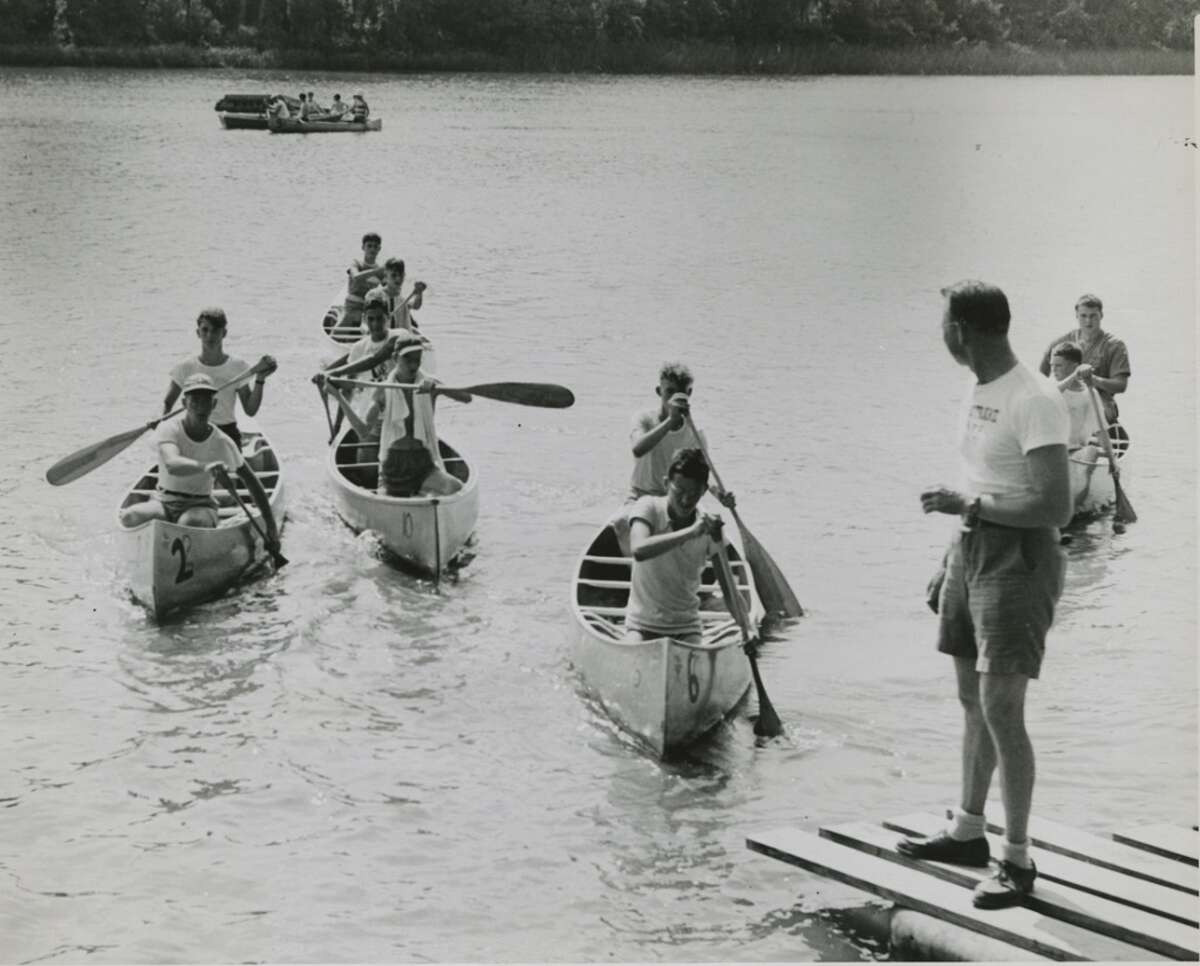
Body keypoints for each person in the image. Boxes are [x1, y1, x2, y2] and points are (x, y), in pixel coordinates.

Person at [898, 280, 1071, 910]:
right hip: (971, 551)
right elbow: (983, 480)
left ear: (963, 330)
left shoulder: (1035, 398)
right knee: (971, 699)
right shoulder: (977, 390)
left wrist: (969, 507)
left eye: (945, 323)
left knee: (1002, 707)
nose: (941, 334)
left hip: (1020, 560)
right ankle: (969, 832)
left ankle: (1017, 859)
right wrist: (951, 560)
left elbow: (1057, 504)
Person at [120, 374, 282, 559]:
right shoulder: (169, 429)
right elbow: (173, 464)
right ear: (184, 403)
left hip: (200, 505)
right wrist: (206, 467)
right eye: (195, 400)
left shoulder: (221, 441)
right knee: (129, 517)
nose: (200, 406)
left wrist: (271, 526)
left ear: (213, 405)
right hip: (163, 502)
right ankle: (147, 562)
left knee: (188, 522)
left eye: (206, 401)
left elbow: (251, 481)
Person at [323, 334, 471, 497]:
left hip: (424, 463)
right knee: (386, 501)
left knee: (456, 488)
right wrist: (338, 396)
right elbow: (363, 431)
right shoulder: (384, 390)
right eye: (408, 359)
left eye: (417, 359)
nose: (413, 365)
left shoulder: (429, 383)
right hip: (394, 466)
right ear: (395, 358)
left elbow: (467, 398)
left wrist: (438, 388)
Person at [608, 363, 733, 553]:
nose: (674, 398)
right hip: (641, 494)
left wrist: (720, 496)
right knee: (620, 522)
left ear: (689, 393)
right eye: (669, 392)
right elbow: (637, 449)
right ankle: (637, 571)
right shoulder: (644, 419)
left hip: (679, 498)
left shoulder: (695, 431)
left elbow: (703, 474)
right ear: (659, 391)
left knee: (716, 532)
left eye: (681, 393)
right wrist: (669, 422)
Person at [624, 447, 728, 645]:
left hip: (686, 627)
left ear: (704, 491)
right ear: (666, 484)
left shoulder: (710, 527)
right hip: (641, 624)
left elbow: (729, 591)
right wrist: (691, 532)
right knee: (633, 651)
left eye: (694, 493)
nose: (686, 500)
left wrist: (746, 627)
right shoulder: (648, 507)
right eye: (679, 491)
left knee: (695, 653)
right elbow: (638, 550)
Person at [163, 307, 277, 452]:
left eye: (215, 330)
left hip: (227, 432)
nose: (210, 335)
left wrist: (260, 379)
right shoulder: (185, 366)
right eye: (205, 330)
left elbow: (250, 410)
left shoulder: (237, 366)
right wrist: (162, 422)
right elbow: (167, 403)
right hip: (193, 433)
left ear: (224, 333)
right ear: (198, 333)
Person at [1037, 294, 1130, 427]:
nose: (1088, 321)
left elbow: (1121, 385)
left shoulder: (1114, 345)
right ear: (1076, 315)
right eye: (1083, 316)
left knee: (1115, 436)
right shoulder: (1061, 342)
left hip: (1099, 403)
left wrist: (1093, 380)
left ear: (1101, 315)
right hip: (1066, 401)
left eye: (1093, 316)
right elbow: (1040, 377)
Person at [340, 232, 386, 333]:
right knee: (341, 331)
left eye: (375, 246)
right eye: (369, 246)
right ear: (363, 247)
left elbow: (389, 289)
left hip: (368, 309)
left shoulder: (380, 270)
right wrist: (375, 272)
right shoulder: (356, 263)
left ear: (379, 249)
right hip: (352, 306)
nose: (372, 249)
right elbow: (356, 277)